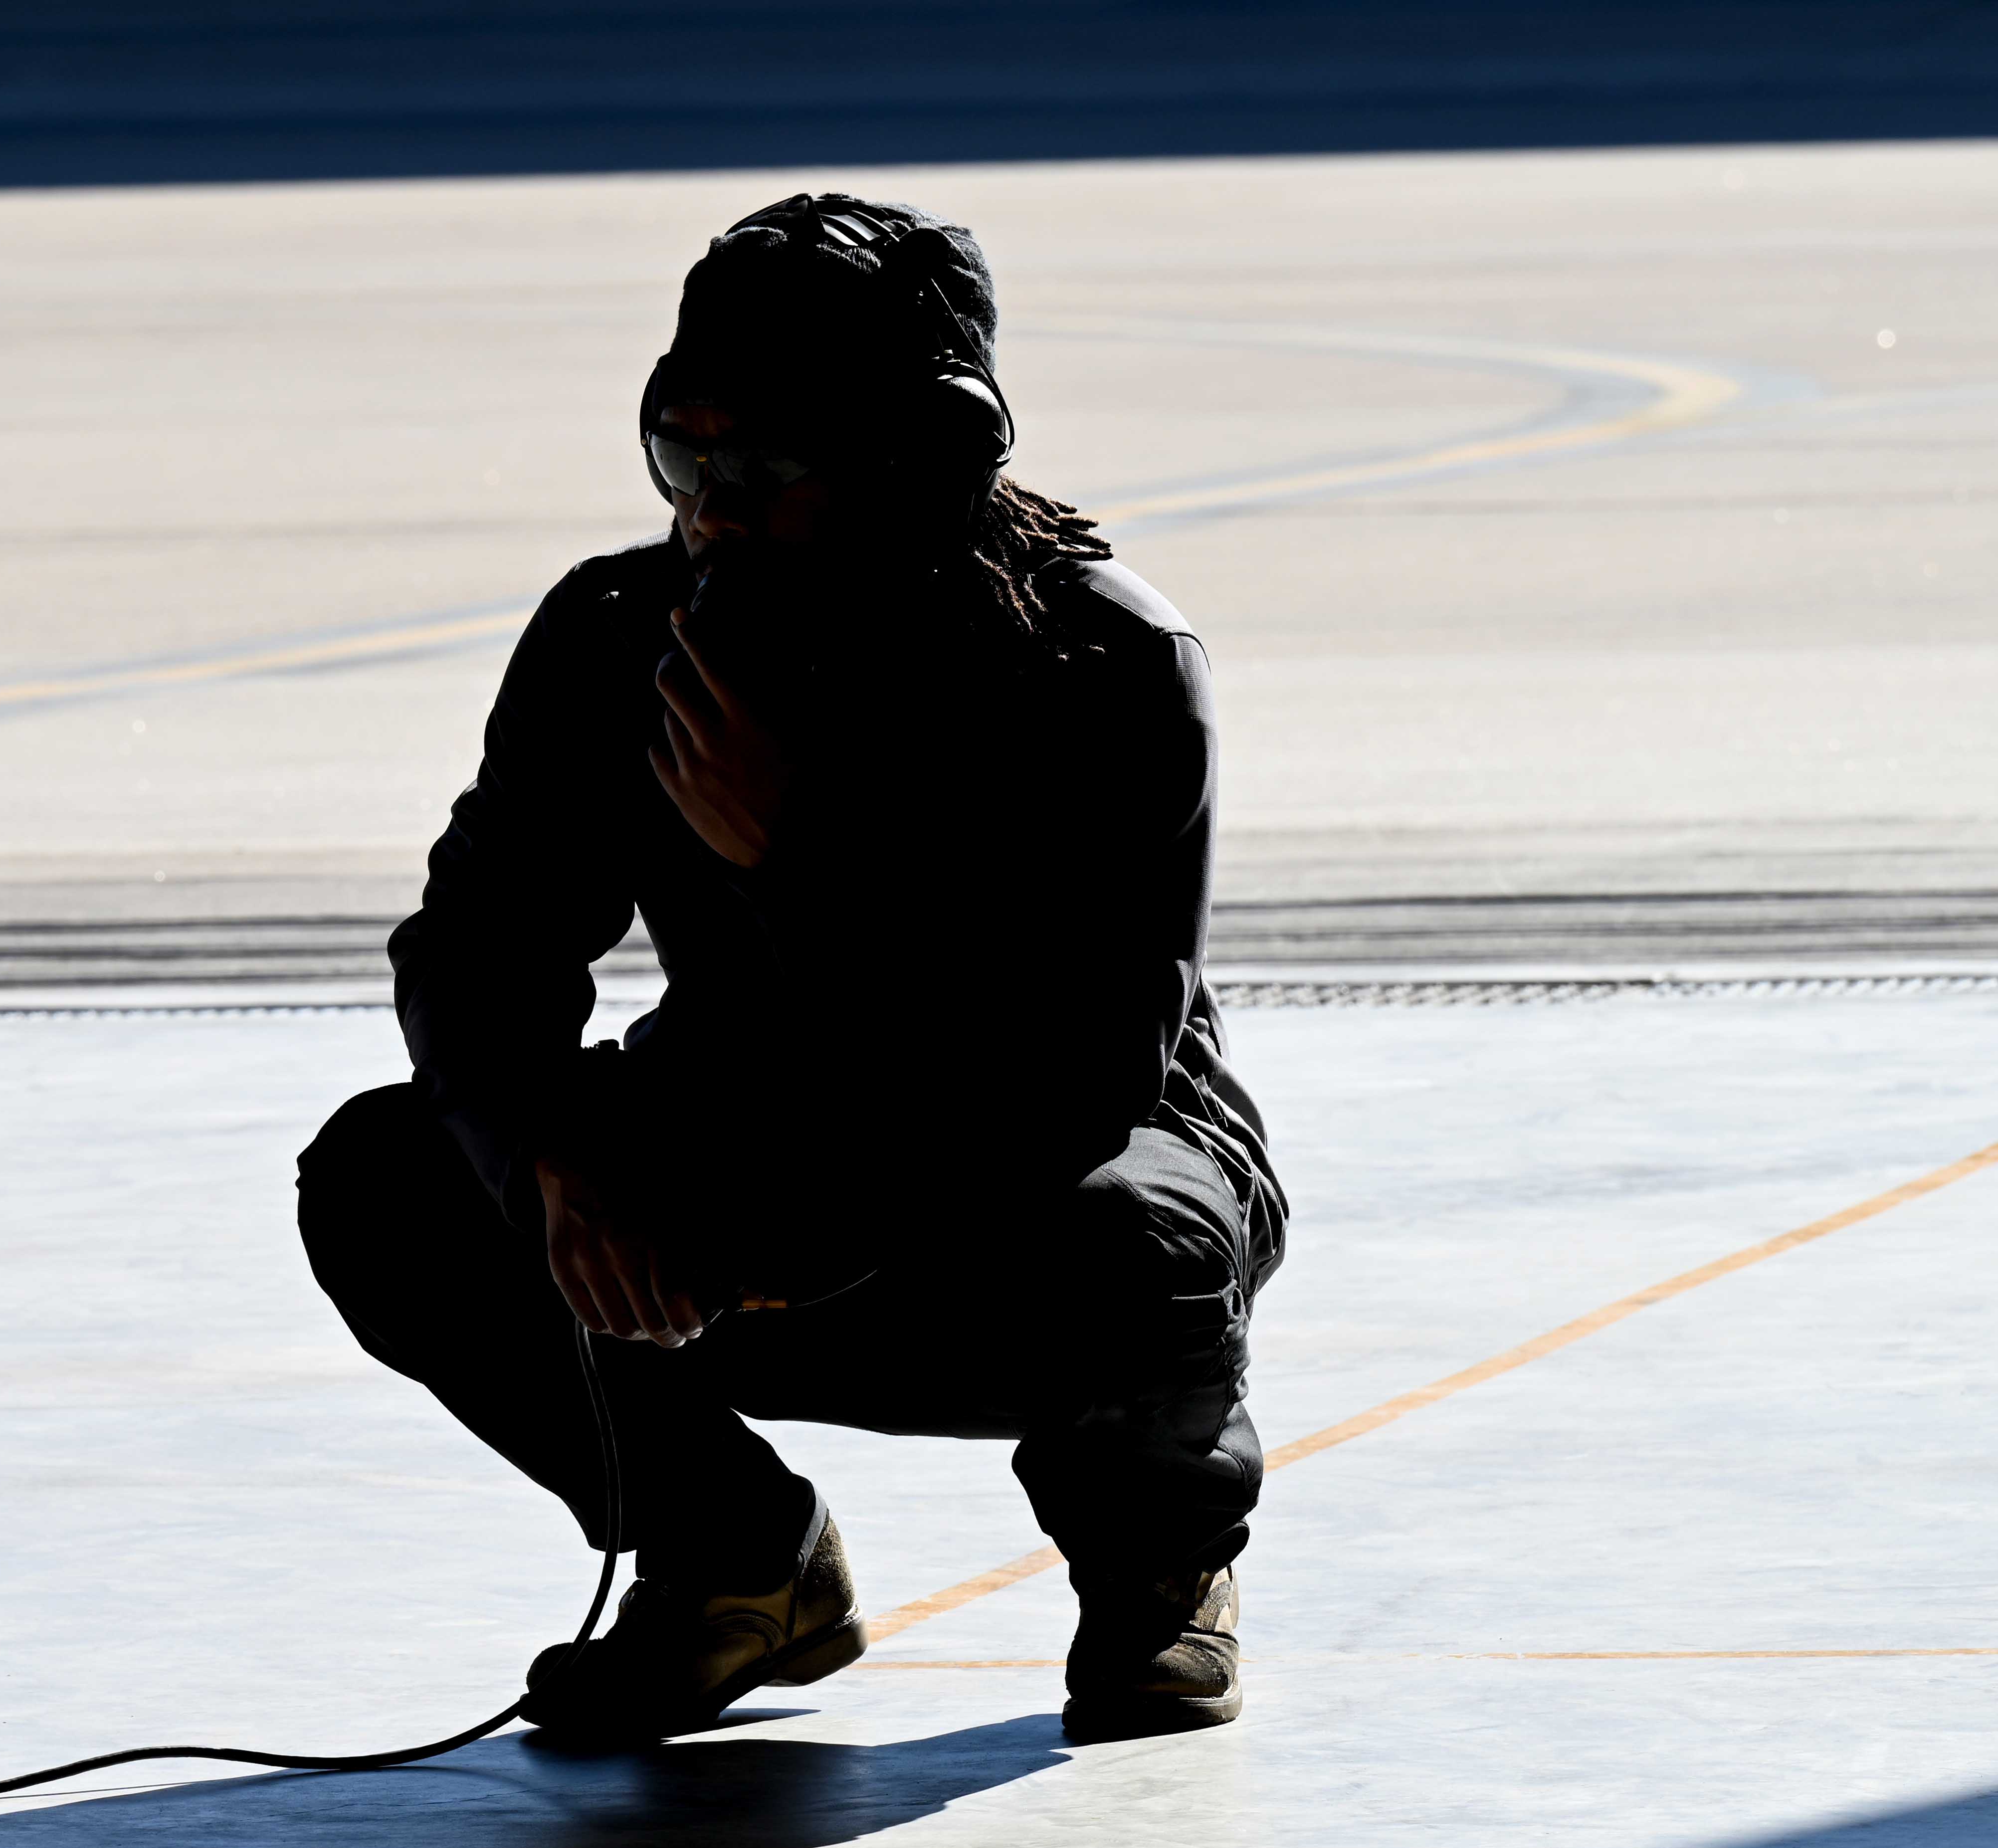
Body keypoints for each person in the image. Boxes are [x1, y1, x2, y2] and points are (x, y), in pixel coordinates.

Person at [297, 194, 1285, 1745]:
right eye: (678, 458)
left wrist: (800, 855)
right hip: (752, 1145)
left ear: (922, 457)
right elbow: (476, 952)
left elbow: (1069, 1079)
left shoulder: (1102, 665)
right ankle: (735, 1558)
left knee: (1131, 1233)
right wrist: (555, 1159)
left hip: (1014, 1177)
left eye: (761, 470)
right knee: (387, 1179)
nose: (709, 514)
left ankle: (1156, 1562)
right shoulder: (617, 639)